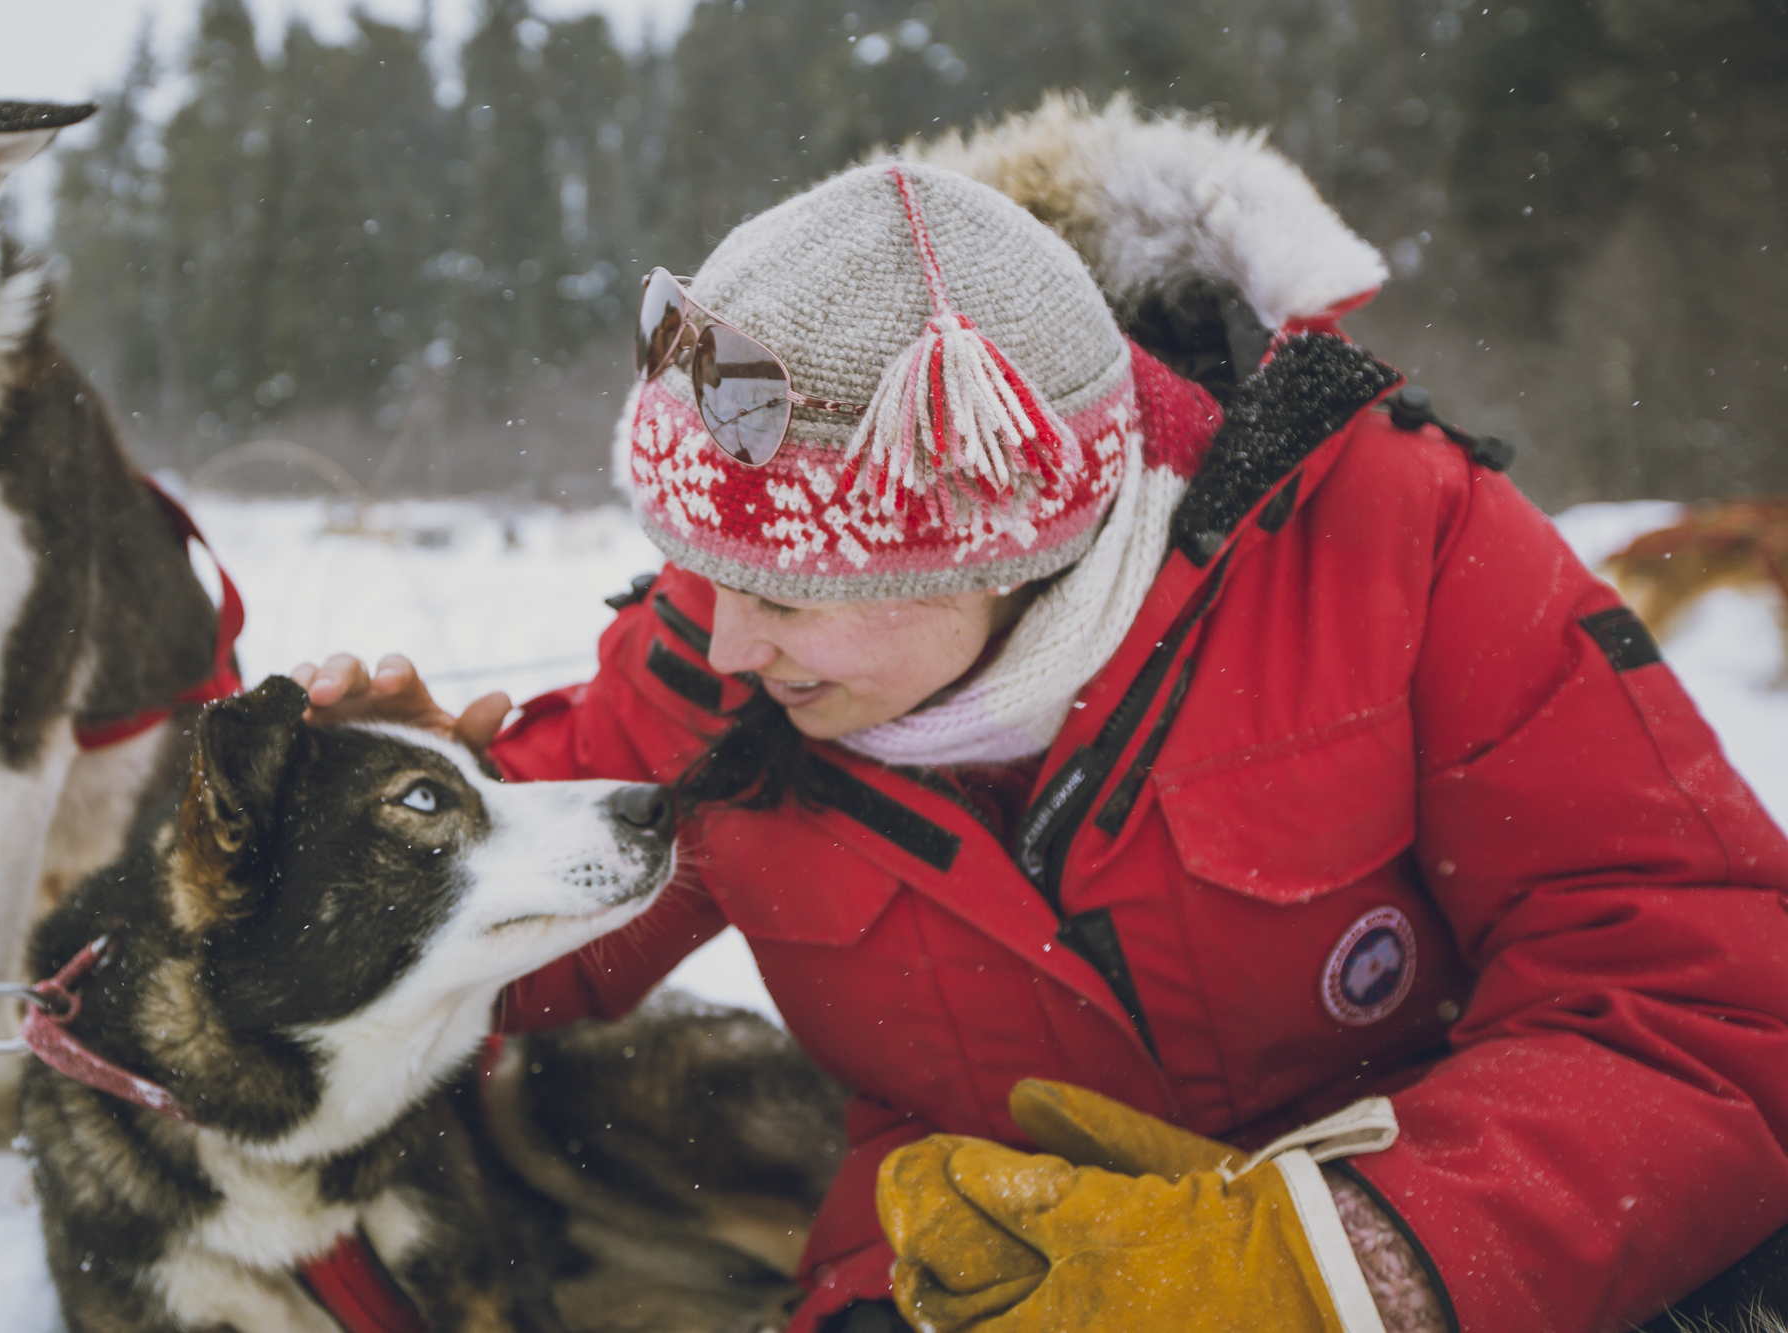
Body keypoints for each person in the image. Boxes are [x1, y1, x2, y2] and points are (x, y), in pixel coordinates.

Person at [293, 138, 1788, 1333]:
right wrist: (389, 830)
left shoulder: (1399, 550)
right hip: (951, 1268)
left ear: (1006, 548)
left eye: (790, 594)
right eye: (705, 570)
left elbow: (1705, 1005)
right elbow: (524, 950)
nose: (728, 637)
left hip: (1463, 1262)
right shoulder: (714, 667)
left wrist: (1330, 1270)